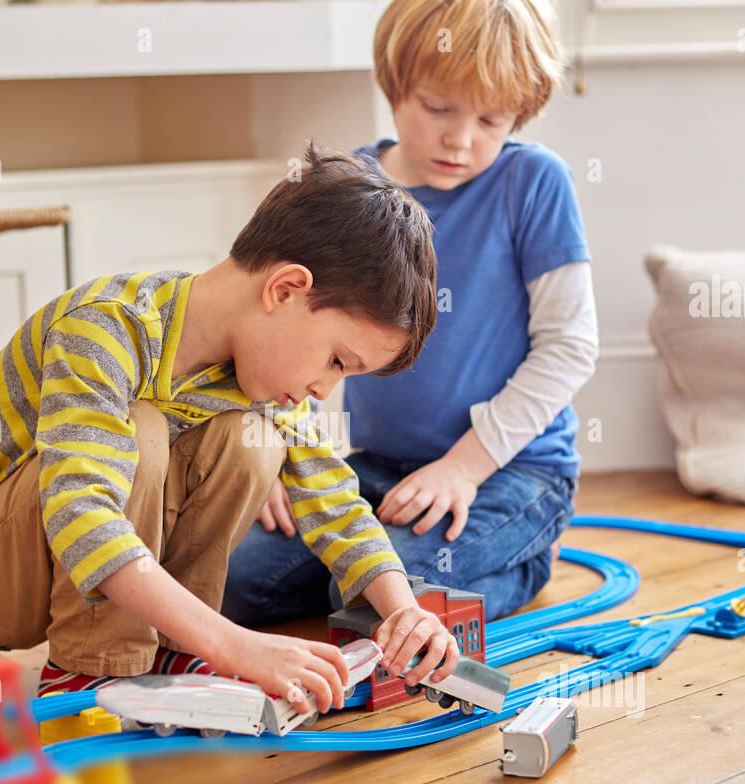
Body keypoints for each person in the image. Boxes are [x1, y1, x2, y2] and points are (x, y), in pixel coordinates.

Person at [0, 143, 463, 714]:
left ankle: (169, 651)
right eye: (336, 360)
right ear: (284, 290)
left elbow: (333, 502)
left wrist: (404, 609)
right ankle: (89, 670)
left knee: (250, 443)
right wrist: (234, 644)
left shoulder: (266, 381)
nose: (326, 390)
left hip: (79, 567)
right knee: (142, 427)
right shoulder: (108, 329)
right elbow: (83, 516)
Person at [223, 0, 599, 629]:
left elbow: (569, 347)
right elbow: (291, 326)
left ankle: (526, 554)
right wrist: (276, 460)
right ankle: (489, 559)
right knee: (237, 586)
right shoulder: (350, 189)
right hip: (375, 469)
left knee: (377, 598)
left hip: (509, 470)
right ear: (395, 84)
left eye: (491, 118)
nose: (461, 138)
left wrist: (463, 468)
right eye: (438, 108)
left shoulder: (534, 182)